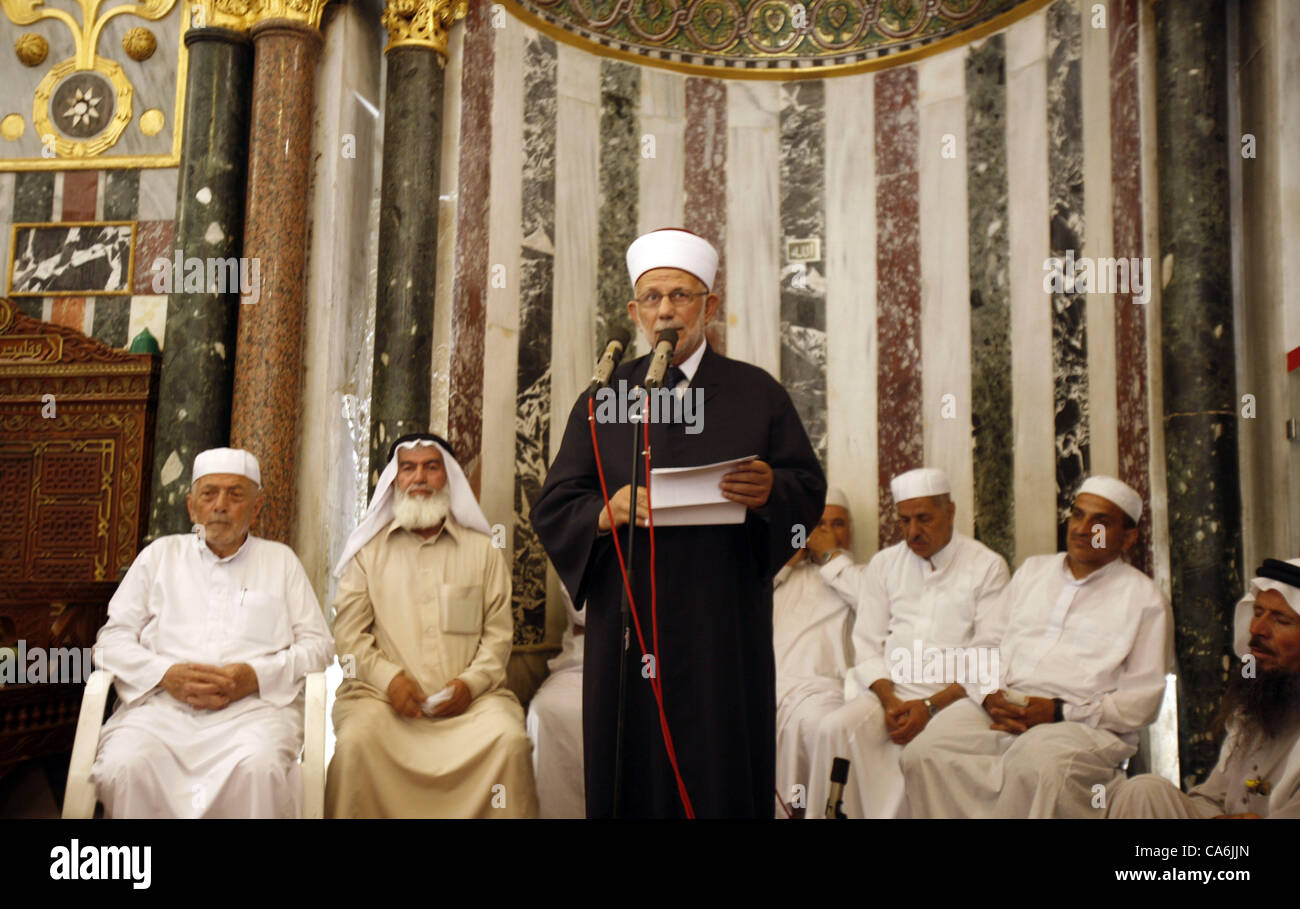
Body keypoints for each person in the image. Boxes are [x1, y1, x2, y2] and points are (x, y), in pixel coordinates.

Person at [531, 228, 826, 818]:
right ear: (636, 311)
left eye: (681, 296)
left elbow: (806, 488)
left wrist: (772, 491)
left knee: (719, 767)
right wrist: (602, 511)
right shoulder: (605, 395)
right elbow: (557, 500)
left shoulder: (756, 393)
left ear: (709, 306)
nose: (666, 310)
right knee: (630, 772)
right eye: (653, 297)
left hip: (723, 622)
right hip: (628, 621)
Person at [901, 475, 1172, 818]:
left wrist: (1059, 712)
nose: (1082, 528)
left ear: (1128, 537)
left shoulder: (1146, 600)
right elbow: (987, 645)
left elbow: (1140, 703)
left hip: (1082, 725)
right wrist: (990, 695)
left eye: (1099, 522)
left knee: (1037, 768)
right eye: (1077, 515)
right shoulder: (1033, 572)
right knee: (925, 753)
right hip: (1003, 704)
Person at [91, 448, 334, 818]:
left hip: (252, 713)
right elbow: (110, 642)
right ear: (192, 507)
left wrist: (253, 677)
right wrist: (165, 675)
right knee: (126, 765)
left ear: (256, 507)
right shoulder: (159, 557)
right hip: (161, 709)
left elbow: (319, 647)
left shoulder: (281, 561)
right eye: (209, 494)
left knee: (260, 767)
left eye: (235, 494)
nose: (221, 504)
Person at [326, 433, 537, 818]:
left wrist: (469, 685)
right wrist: (390, 679)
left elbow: (498, 638)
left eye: (431, 467)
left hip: (470, 707)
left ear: (449, 478)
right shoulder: (366, 555)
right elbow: (349, 638)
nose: (419, 477)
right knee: (355, 743)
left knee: (509, 741)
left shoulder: (483, 550)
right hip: (383, 704)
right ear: (394, 480)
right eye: (408, 468)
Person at [804, 468, 1010, 818]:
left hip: (958, 698)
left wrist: (929, 706)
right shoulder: (886, 564)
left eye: (924, 518)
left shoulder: (987, 566)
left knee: (926, 752)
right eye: (905, 520)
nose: (913, 532)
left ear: (951, 512)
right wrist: (888, 698)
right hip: (893, 693)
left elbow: (989, 657)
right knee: (832, 728)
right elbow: (868, 643)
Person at [1108, 558, 1300, 818]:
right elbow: (1211, 798)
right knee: (1143, 790)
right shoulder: (1259, 710)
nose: (1257, 629)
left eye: (1281, 620)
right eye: (1257, 613)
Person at [773, 489, 857, 817]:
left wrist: (830, 558)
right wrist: (785, 560)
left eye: (837, 524)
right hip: (776, 687)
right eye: (818, 524)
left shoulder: (860, 574)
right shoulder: (781, 577)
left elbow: (876, 607)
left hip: (828, 689)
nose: (827, 532)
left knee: (818, 723)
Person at [525, 587, 586, 819]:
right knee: (546, 713)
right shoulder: (583, 551)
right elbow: (582, 610)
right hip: (582, 661)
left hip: (652, 661)